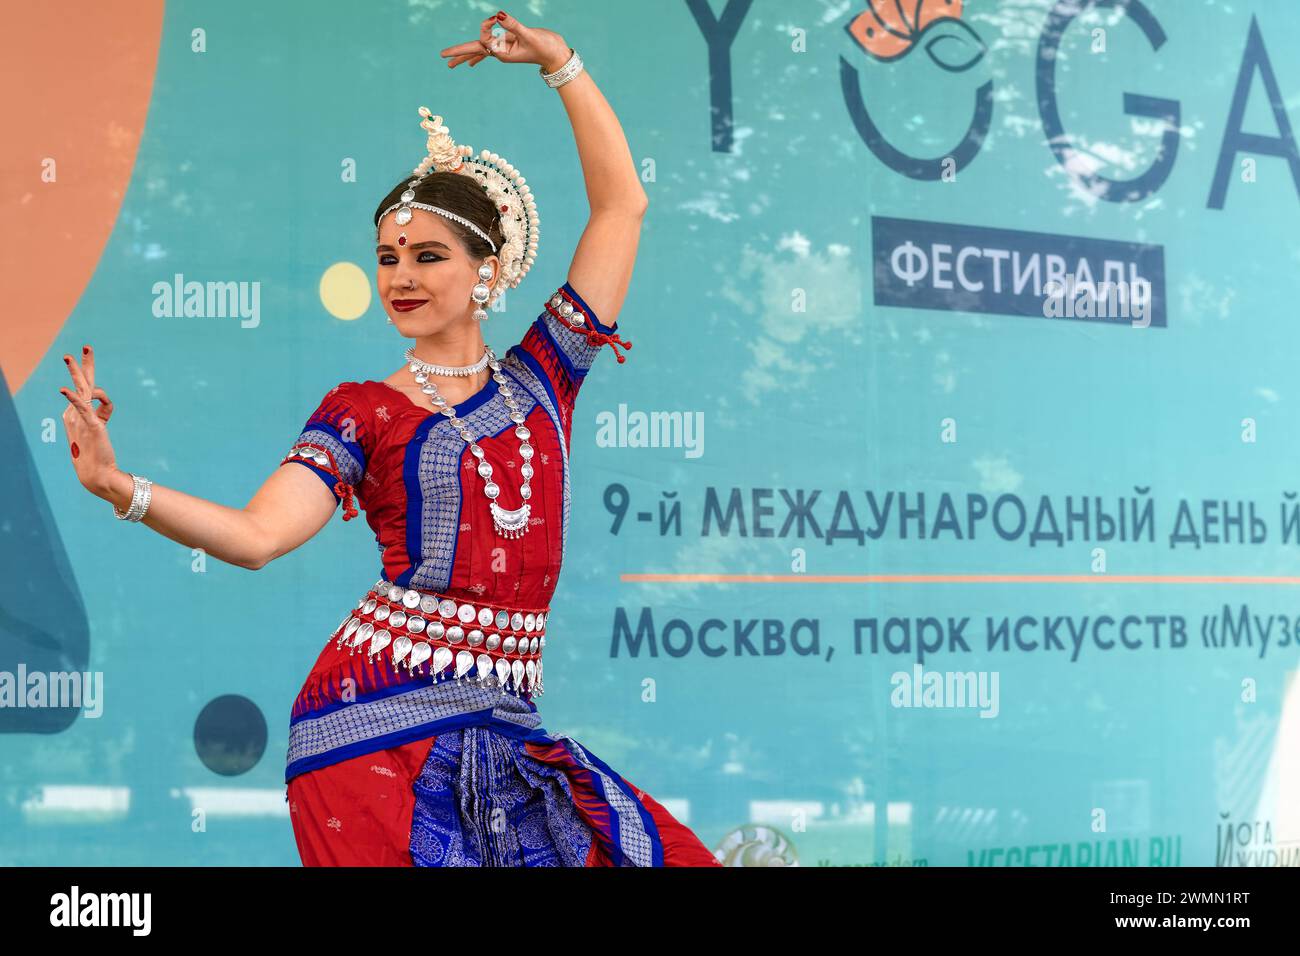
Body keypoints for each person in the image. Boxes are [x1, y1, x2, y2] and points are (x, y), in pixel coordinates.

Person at [58, 11, 721, 867]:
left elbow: (621, 205)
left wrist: (560, 64)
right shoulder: (365, 410)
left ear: (489, 271)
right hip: (370, 735)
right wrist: (122, 487)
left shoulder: (544, 379)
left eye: (428, 256)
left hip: (504, 725)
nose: (401, 277)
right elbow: (259, 537)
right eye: (387, 257)